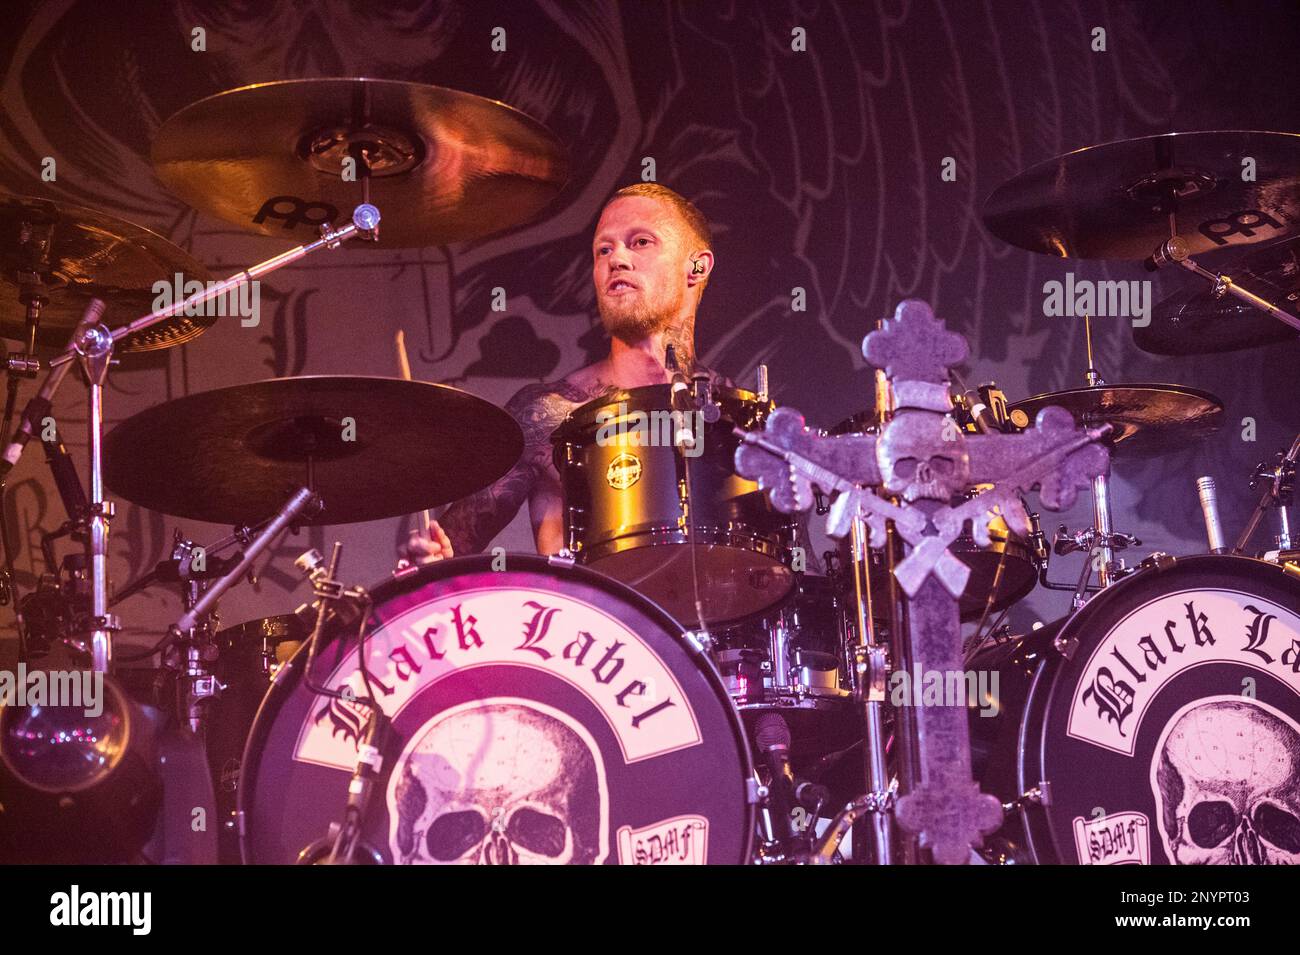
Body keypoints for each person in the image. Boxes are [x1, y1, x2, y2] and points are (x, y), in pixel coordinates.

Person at [402, 182, 723, 565]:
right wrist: (435, 558)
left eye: (640, 242)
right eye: (604, 249)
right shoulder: (548, 412)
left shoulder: (736, 416)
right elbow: (450, 548)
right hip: (587, 621)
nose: (616, 259)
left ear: (697, 267)